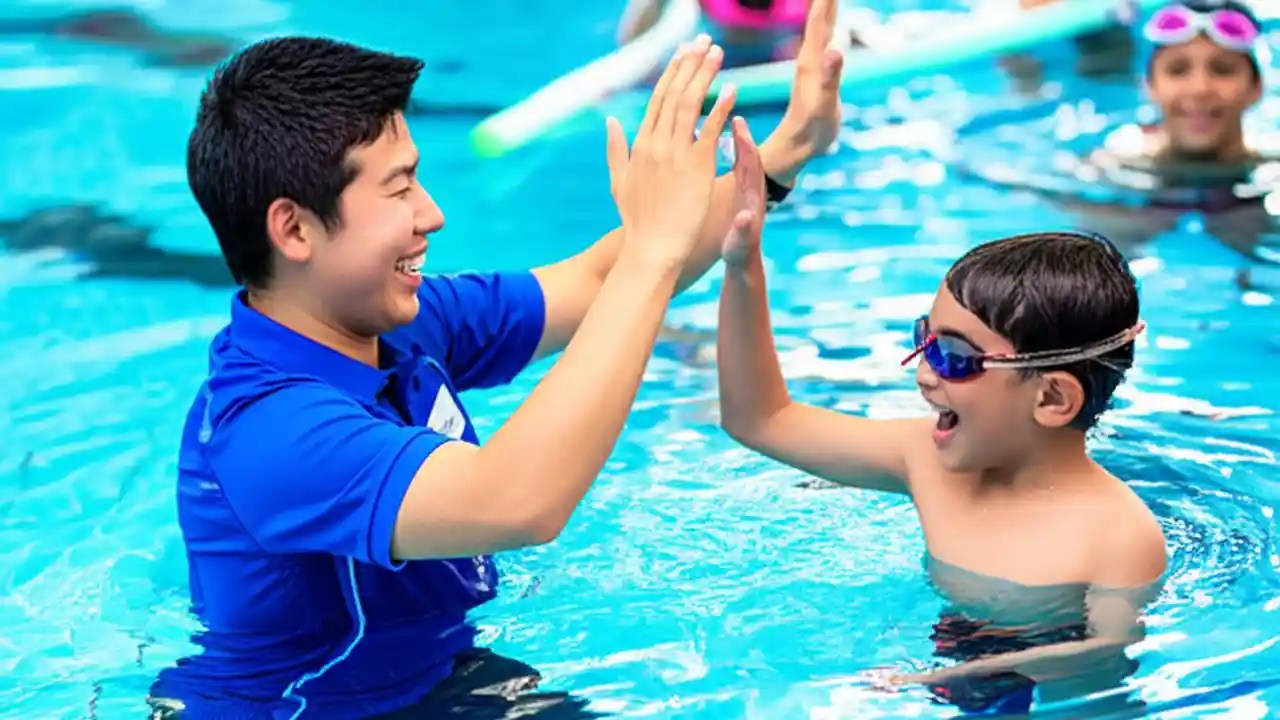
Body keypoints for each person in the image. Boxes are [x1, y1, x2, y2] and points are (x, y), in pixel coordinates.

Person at [147, 0, 845, 716]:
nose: (431, 213)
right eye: (398, 188)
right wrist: (653, 250)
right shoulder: (269, 430)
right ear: (293, 229)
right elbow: (517, 503)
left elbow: (599, 279)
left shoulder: (398, 324)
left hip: (437, 677)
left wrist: (788, 150)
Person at [715, 196, 1169, 712]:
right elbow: (760, 421)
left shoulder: (1118, 536)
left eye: (954, 357)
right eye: (924, 339)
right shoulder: (926, 460)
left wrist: (946, 676)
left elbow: (1102, 654)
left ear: (1051, 398)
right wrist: (742, 267)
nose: (923, 371)